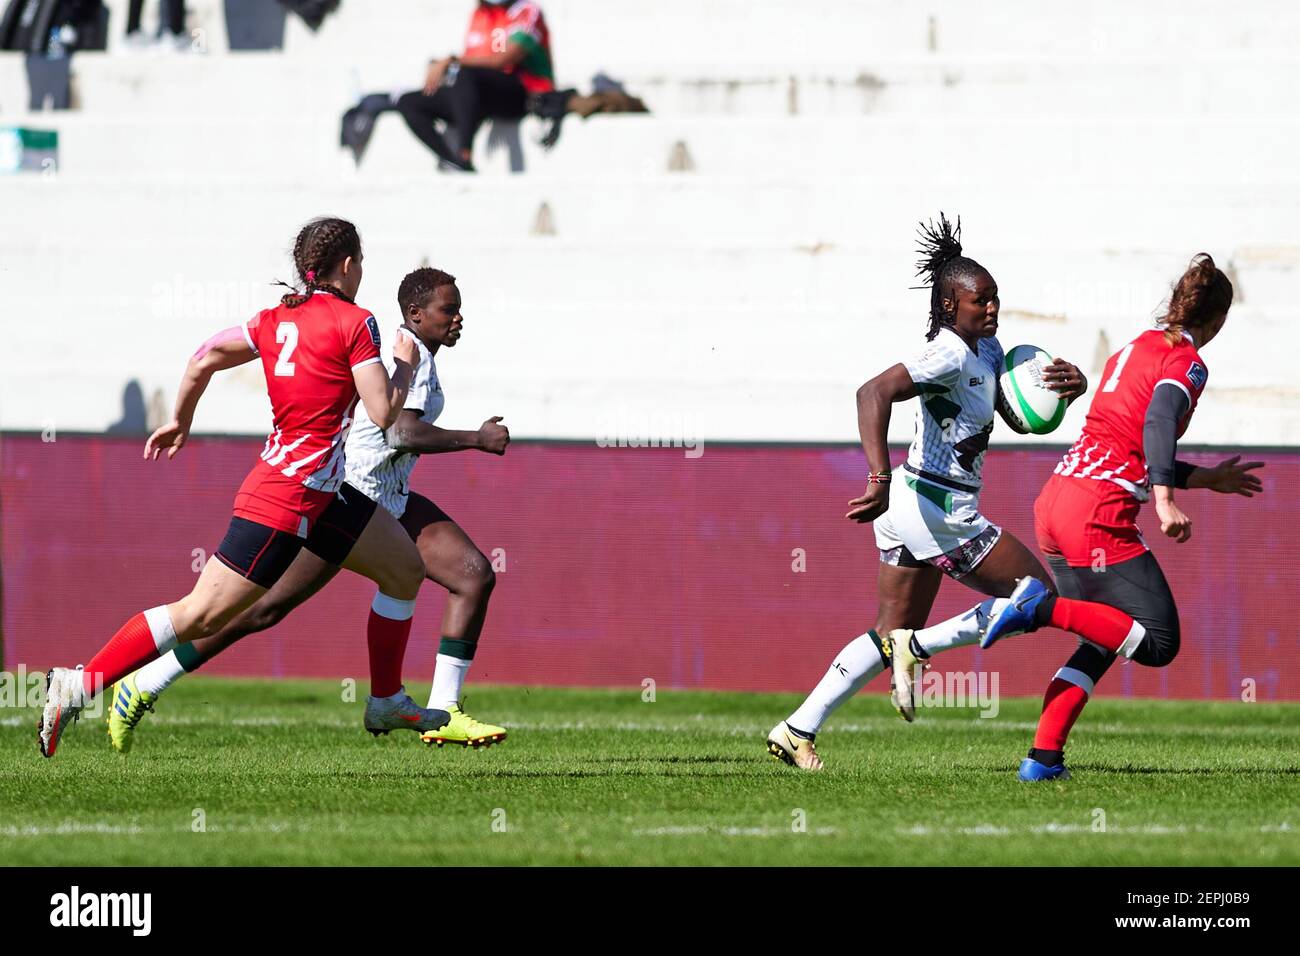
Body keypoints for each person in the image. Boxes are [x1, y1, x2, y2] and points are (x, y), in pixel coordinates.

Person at [39, 217, 448, 758]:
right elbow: (383, 411)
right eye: (361, 264)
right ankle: (80, 684)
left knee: (404, 570)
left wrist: (181, 419)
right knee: (200, 614)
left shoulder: (273, 319)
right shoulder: (358, 322)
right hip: (286, 495)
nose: (362, 273)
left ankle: (386, 699)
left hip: (322, 491)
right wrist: (402, 365)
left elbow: (204, 356)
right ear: (348, 266)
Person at [767, 214, 1148, 771]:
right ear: (950, 306)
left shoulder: (989, 353)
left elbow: (1017, 417)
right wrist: (876, 475)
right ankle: (918, 651)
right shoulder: (945, 351)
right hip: (935, 505)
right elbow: (872, 392)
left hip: (913, 505)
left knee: (888, 629)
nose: (992, 309)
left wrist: (1071, 390)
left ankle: (796, 728)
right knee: (1034, 593)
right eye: (981, 302)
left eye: (996, 299)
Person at [106, 268, 513, 752]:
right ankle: (143, 682)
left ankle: (443, 710)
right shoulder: (406, 353)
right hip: (348, 497)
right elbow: (398, 432)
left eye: (458, 307)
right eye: (449, 310)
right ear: (415, 314)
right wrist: (477, 439)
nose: (458, 318)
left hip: (390, 497)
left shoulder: (417, 351)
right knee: (261, 609)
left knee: (472, 575)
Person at [969, 254, 1263, 780]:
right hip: (1095, 514)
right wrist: (1167, 499)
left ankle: (1042, 759)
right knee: (1158, 641)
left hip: (1057, 501)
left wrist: (1203, 478)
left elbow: (1128, 440)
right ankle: (1039, 607)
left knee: (1107, 636)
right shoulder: (1187, 361)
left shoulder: (1135, 347)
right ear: (1216, 320)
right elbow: (1160, 419)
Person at [396, 0, 555, 171]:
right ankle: (452, 161)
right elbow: (481, 59)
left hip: (524, 92)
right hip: (481, 90)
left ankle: (464, 153)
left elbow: (501, 60)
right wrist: (444, 70)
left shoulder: (526, 10)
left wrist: (451, 61)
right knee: (408, 101)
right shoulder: (483, 14)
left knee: (466, 76)